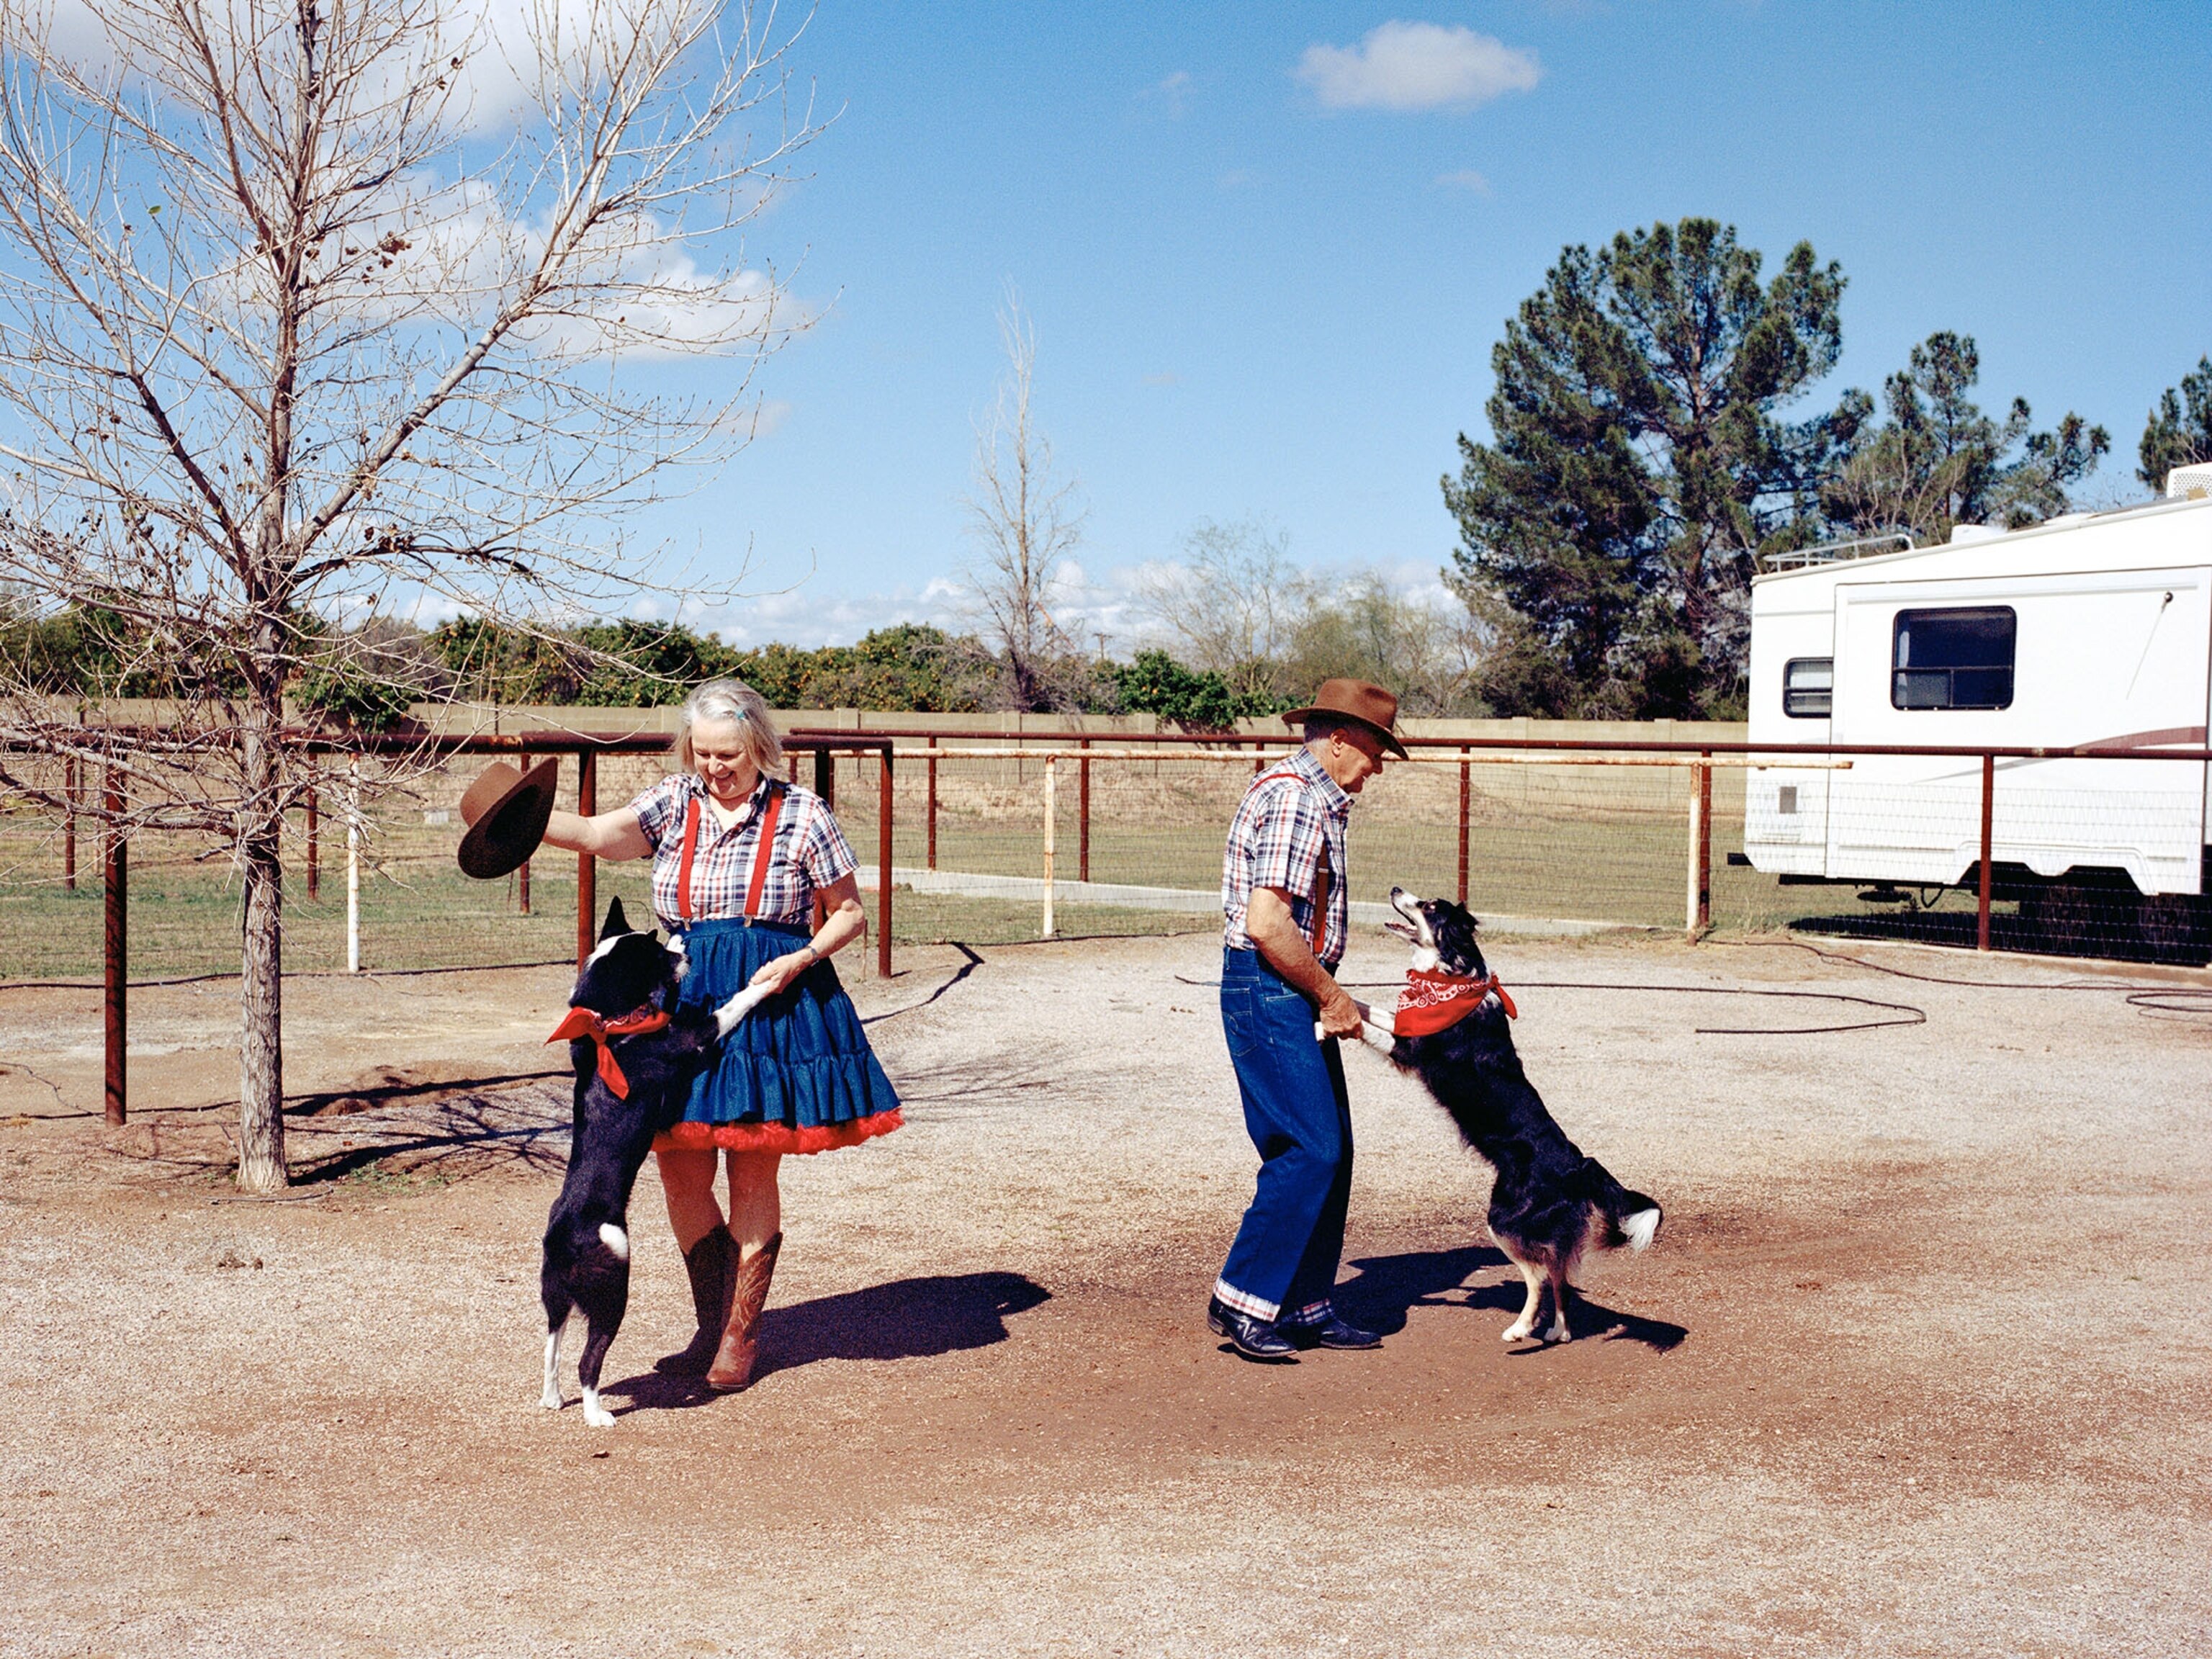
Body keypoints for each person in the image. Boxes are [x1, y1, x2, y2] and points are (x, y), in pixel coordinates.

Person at [536, 680, 902, 1390]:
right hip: (685, 997)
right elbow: (594, 835)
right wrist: (523, 819)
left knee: (751, 1163)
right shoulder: (674, 803)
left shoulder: (804, 814)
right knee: (679, 1166)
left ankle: (739, 1335)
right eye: (703, 753)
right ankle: (712, 1321)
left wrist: (801, 956)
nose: (715, 767)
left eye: (728, 753)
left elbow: (850, 912)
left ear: (758, 744)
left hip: (772, 1001)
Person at [1208, 678, 1406, 1362]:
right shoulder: (1295, 798)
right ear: (1343, 739)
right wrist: (1333, 997)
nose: (1377, 767)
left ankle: (1304, 1305)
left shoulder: (1315, 796)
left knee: (1332, 1151)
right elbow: (1268, 922)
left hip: (1286, 986)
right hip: (1271, 988)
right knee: (1309, 1149)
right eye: (1377, 750)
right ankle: (1243, 1297)